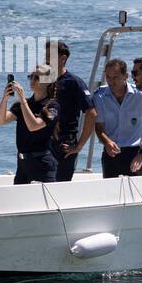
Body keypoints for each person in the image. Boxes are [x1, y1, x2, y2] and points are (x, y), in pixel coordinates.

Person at [0, 64, 59, 184]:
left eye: (37, 77)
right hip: (23, 163)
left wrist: (23, 100)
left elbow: (34, 126)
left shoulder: (52, 106)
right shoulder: (23, 104)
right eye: (31, 76)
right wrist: (5, 98)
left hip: (41, 162)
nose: (32, 80)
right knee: (19, 201)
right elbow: (1, 120)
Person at [44, 39, 95, 181]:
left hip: (65, 145)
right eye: (46, 56)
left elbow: (91, 113)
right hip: (46, 142)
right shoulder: (45, 80)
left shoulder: (74, 82)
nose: (47, 60)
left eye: (50, 56)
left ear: (63, 58)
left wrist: (79, 146)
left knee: (59, 186)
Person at [91, 58, 142, 178]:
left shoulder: (141, 96)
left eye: (115, 77)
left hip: (135, 152)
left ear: (126, 76)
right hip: (110, 152)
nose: (111, 82)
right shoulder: (99, 96)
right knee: (110, 193)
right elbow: (98, 126)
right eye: (108, 77)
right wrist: (107, 142)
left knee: (136, 193)